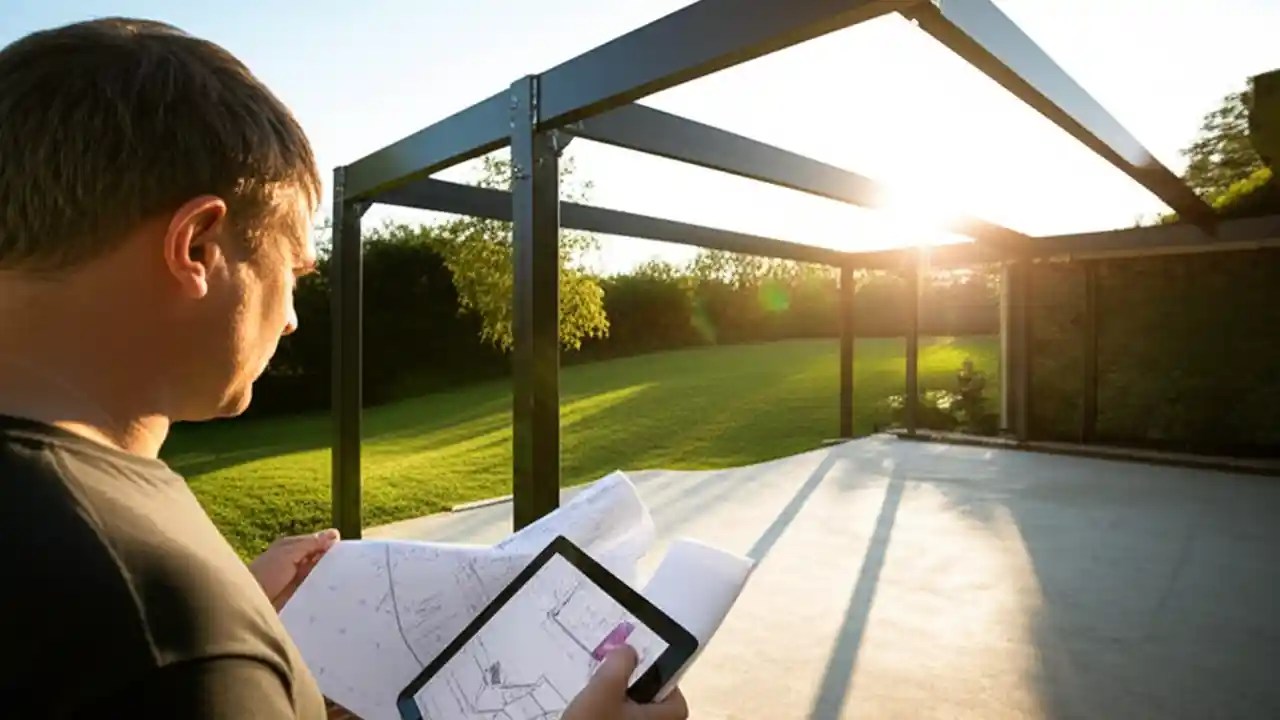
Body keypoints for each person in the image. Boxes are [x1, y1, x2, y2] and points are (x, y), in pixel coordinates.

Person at [0, 17, 688, 720]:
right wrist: (230, 656)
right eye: (293, 269)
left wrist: (249, 622)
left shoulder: (112, 580)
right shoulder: (170, 633)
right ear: (198, 248)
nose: (293, 316)